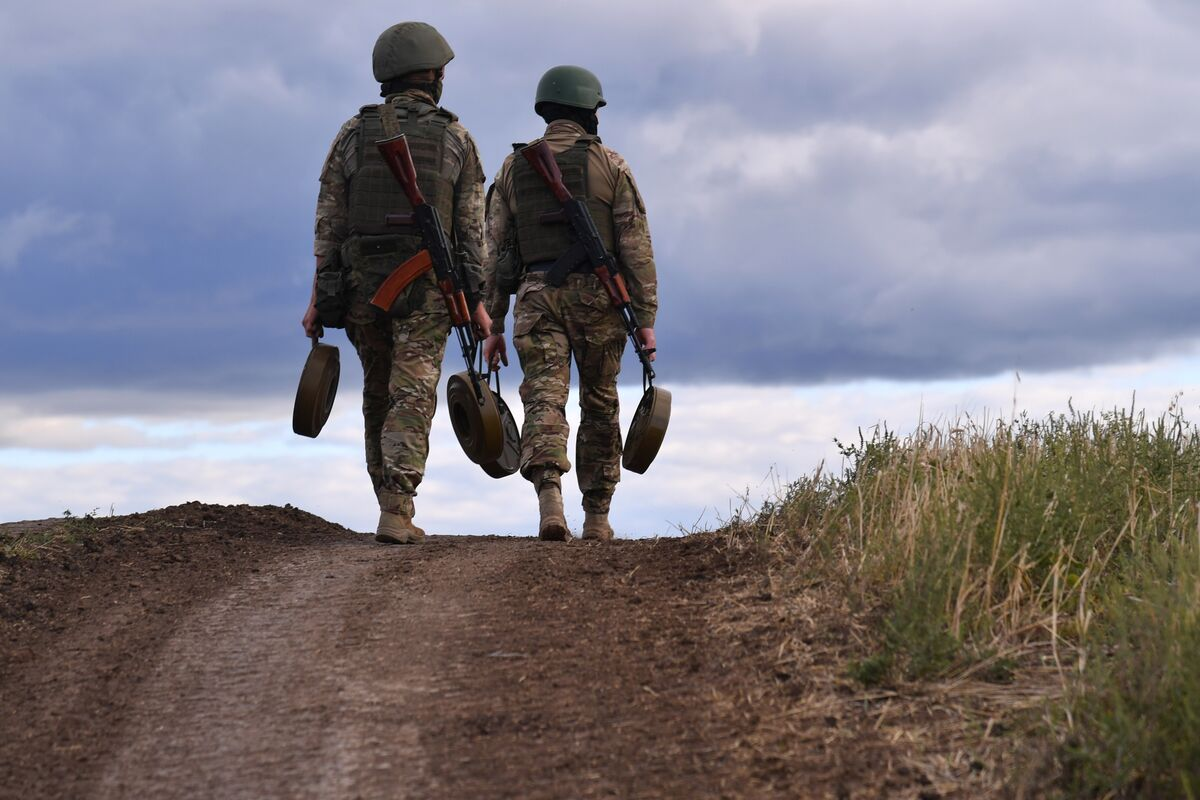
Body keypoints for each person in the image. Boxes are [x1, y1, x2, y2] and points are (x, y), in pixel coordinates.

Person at [303, 21, 490, 545]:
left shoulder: (350, 133)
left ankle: (387, 500)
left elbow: (328, 224)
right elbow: (470, 232)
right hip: (428, 286)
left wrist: (318, 297)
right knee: (412, 392)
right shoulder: (456, 137)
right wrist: (477, 302)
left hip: (362, 284)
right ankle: (397, 503)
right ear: (431, 75)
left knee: (379, 390)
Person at [482, 65, 658, 542]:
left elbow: (494, 252)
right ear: (587, 111)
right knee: (600, 401)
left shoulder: (511, 169)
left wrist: (492, 323)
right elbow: (636, 248)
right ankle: (597, 516)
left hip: (536, 299)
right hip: (599, 300)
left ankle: (549, 498)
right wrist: (645, 320)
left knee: (544, 396)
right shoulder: (612, 165)